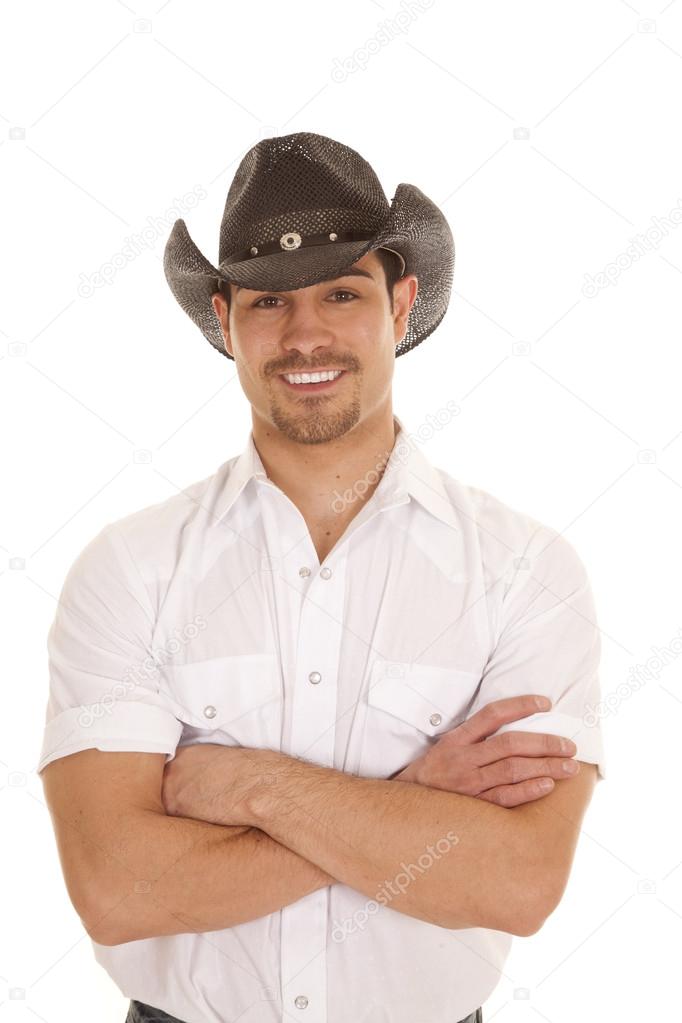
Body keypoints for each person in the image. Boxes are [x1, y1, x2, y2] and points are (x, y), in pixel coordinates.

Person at [38, 131, 606, 1023]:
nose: (306, 334)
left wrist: (245, 785)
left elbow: (517, 881)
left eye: (343, 293)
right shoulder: (129, 570)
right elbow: (118, 888)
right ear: (226, 321)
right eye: (269, 301)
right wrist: (412, 807)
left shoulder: (526, 571)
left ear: (401, 304)